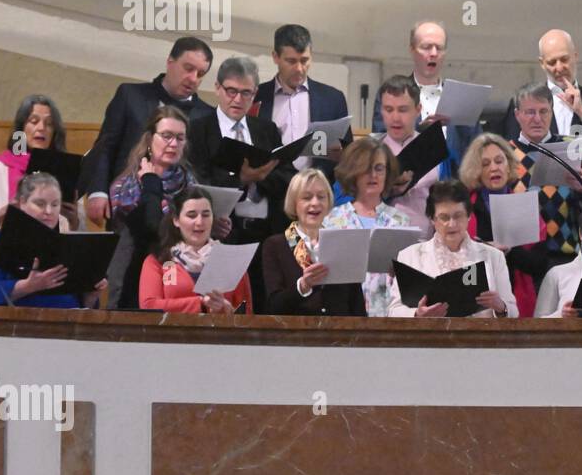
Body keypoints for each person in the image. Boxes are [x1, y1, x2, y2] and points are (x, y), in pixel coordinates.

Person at [78, 37, 214, 305]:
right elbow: (106, 146)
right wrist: (97, 192)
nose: (193, 78)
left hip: (176, 218)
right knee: (123, 281)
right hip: (126, 207)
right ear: (170, 62)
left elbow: (201, 169)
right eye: (188, 68)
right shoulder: (130, 95)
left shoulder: (206, 114)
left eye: (201, 74)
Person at [188, 56, 295, 312]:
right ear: (217, 88)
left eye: (245, 93)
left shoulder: (265, 129)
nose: (237, 99)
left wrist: (263, 176)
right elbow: (197, 181)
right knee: (228, 303)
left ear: (255, 94)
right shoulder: (199, 129)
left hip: (266, 231)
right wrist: (241, 179)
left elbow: (288, 177)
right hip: (224, 230)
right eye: (231, 91)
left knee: (265, 304)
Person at [494, 29, 582, 172]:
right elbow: (512, 155)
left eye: (564, 59)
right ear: (542, 63)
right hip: (540, 191)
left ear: (575, 56)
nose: (559, 68)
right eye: (552, 62)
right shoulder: (523, 104)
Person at [386, 180, 517, 318]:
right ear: (432, 219)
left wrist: (500, 307)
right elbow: (393, 311)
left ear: (469, 216)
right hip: (428, 337)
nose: (452, 224)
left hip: (479, 337)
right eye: (444, 217)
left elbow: (513, 311)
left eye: (458, 216)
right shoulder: (409, 256)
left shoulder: (494, 256)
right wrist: (417, 314)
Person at [108, 107, 194, 309]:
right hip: (133, 280)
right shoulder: (126, 187)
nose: (173, 144)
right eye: (166, 136)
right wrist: (151, 182)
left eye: (180, 138)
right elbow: (152, 225)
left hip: (180, 284)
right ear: (149, 140)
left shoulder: (190, 182)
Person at [0, 173, 103, 309]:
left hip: (66, 326)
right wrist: (28, 286)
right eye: (40, 204)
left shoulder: (69, 243)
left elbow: (80, 305)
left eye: (55, 204)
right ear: (22, 202)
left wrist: (90, 297)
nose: (48, 211)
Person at [506, 83, 582, 262]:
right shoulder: (503, 154)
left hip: (566, 254)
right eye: (530, 112)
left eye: (543, 111)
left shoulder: (574, 148)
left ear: (552, 113)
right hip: (520, 259)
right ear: (517, 114)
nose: (537, 119)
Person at [322, 137, 414, 316]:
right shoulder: (333, 220)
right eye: (366, 168)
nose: (373, 175)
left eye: (379, 168)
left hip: (390, 316)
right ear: (353, 173)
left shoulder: (400, 221)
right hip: (346, 316)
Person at [371, 20, 478, 173]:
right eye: (426, 47)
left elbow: (476, 145)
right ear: (412, 50)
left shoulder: (461, 96)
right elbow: (381, 141)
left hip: (454, 188)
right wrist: (419, 132)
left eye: (439, 48)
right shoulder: (391, 93)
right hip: (408, 184)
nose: (433, 53)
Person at [253, 24, 352, 182]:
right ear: (275, 57)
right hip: (270, 194)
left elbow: (349, 154)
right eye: (291, 61)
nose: (299, 68)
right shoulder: (256, 96)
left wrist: (340, 155)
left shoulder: (333, 99)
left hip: (319, 192)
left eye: (304, 60)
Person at [261, 169, 367, 317]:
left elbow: (357, 307)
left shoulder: (342, 244)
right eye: (307, 197)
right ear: (294, 203)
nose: (315, 203)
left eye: (321, 197)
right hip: (295, 336)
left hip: (339, 336)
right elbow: (273, 306)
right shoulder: (275, 246)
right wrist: (303, 286)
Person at [460, 132, 544, 317]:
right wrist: (484, 249)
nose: (494, 168)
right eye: (485, 164)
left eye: (499, 161)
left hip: (519, 296)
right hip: (475, 298)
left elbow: (539, 263)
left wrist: (510, 251)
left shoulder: (525, 204)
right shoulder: (464, 208)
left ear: (509, 165)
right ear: (476, 170)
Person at [0, 94, 73, 240]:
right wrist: (1, 214)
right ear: (21, 128)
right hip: (7, 255)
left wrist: (75, 221)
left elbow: (79, 231)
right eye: (34, 121)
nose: (42, 128)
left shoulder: (66, 169)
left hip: (53, 256)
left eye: (49, 124)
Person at [138, 186, 250, 314]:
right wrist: (200, 303)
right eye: (191, 215)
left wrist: (226, 309)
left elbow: (246, 312)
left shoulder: (231, 262)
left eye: (206, 215)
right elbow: (149, 305)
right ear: (176, 220)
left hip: (219, 333)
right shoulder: (159, 260)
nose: (199, 222)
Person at [375, 76, 442, 233]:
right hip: (385, 241)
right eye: (389, 109)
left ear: (418, 110)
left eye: (403, 110)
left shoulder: (434, 147)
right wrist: (388, 189)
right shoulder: (370, 153)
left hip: (428, 241)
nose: (395, 118)